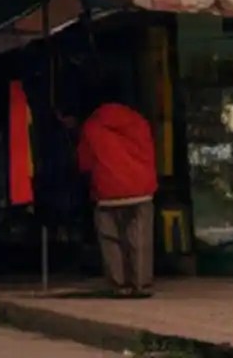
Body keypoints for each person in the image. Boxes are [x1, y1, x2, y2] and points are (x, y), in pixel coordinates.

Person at [70, 75, 158, 297]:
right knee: (139, 238)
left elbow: (85, 162)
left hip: (107, 191)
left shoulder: (91, 125)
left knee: (111, 240)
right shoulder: (139, 122)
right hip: (140, 189)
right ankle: (141, 284)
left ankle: (120, 286)